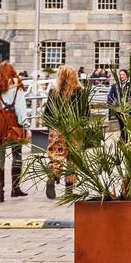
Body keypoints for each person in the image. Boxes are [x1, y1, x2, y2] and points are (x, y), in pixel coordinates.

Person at [0, 61, 29, 202]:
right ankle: (15, 188)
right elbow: (20, 108)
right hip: (13, 121)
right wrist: (25, 125)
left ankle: (0, 194)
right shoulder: (17, 86)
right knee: (17, 155)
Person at [44, 64, 82, 200]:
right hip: (74, 128)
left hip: (57, 129)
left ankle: (52, 177)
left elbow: (47, 113)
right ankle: (69, 190)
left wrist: (50, 128)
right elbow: (84, 113)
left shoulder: (53, 92)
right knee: (72, 159)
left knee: (56, 157)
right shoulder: (78, 92)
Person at [106, 68, 131, 138]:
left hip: (128, 109)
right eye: (120, 75)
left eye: (123, 74)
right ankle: (123, 139)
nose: (121, 76)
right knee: (121, 125)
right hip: (119, 109)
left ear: (127, 76)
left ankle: (124, 139)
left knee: (126, 125)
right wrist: (110, 104)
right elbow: (110, 96)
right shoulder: (115, 86)